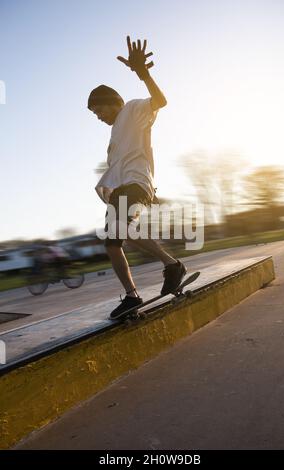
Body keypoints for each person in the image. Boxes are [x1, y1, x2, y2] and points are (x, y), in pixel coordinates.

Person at [88, 36, 187, 319]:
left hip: (137, 183)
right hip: (125, 188)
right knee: (114, 240)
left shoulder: (132, 110)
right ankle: (150, 281)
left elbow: (160, 101)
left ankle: (166, 269)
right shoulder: (114, 134)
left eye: (99, 110)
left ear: (113, 102)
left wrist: (144, 74)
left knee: (115, 235)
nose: (98, 117)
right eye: (94, 114)